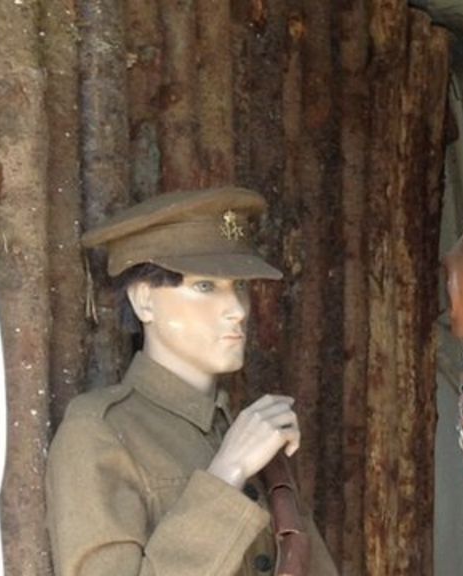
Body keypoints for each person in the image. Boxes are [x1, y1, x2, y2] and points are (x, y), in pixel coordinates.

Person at [45, 186, 339, 575]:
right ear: (144, 300)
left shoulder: (242, 430)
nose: (236, 309)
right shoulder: (99, 431)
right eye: (205, 286)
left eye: (240, 287)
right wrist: (228, 471)